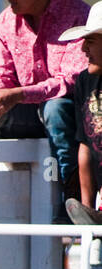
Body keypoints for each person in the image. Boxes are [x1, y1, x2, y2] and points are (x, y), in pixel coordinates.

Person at [0, 0, 88, 219]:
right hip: (26, 107)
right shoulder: (5, 20)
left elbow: (71, 80)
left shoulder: (77, 14)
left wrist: (20, 94)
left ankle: (69, 197)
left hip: (67, 110)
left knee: (56, 110)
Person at [63, 5, 102, 225]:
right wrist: (86, 209)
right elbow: (85, 145)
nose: (83, 49)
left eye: (91, 41)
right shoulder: (85, 82)